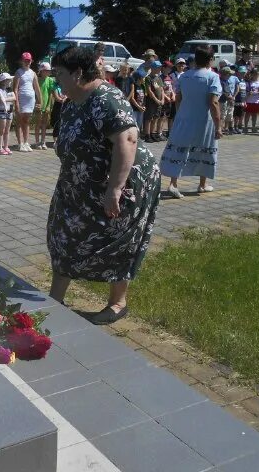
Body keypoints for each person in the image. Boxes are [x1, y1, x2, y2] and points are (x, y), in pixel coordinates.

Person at [47, 46, 160, 324]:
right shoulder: (73, 100)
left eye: (59, 74)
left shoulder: (107, 98)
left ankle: (118, 302)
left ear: (76, 73)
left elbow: (128, 140)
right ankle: (55, 299)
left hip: (122, 181)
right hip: (79, 183)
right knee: (62, 234)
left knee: (117, 239)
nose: (55, 79)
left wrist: (115, 189)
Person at [160, 46, 222, 198]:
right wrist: (218, 125)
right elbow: (213, 103)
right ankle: (202, 184)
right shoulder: (212, 76)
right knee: (205, 148)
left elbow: (178, 99)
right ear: (210, 60)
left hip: (184, 118)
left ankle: (174, 184)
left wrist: (182, 114)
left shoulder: (185, 76)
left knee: (181, 147)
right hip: (204, 120)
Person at [13, 52, 42, 152]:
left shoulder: (33, 73)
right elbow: (15, 89)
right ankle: (20, 143)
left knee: (27, 121)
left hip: (30, 100)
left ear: (31, 61)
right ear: (22, 61)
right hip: (21, 99)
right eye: (25, 61)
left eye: (29, 61)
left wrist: (40, 101)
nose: (27, 63)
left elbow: (37, 88)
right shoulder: (18, 72)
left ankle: (26, 142)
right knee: (20, 121)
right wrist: (16, 102)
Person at [35, 62, 56, 149]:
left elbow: (51, 94)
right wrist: (36, 104)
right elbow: (35, 92)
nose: (48, 72)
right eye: (46, 71)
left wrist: (48, 106)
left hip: (46, 105)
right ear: (41, 71)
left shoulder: (50, 80)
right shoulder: (37, 80)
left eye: (49, 71)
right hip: (38, 105)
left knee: (44, 125)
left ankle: (43, 142)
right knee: (38, 124)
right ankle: (37, 142)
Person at [143, 61, 165, 142]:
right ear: (152, 68)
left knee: (156, 117)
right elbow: (149, 91)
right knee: (149, 118)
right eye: (157, 67)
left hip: (159, 101)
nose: (159, 69)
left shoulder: (158, 78)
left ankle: (152, 133)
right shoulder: (148, 78)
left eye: (159, 67)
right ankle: (147, 135)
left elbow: (162, 89)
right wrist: (156, 100)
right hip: (151, 101)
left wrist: (162, 99)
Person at [0, 72, 16, 155]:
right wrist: (6, 99)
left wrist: (5, 98)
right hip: (2, 112)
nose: (10, 81)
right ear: (3, 81)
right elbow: (0, 100)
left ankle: (6, 146)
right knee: (1, 130)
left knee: (7, 130)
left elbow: (14, 98)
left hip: (9, 111)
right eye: (8, 80)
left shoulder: (9, 89)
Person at [244, 69, 259, 133]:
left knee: (254, 114)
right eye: (254, 74)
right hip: (249, 100)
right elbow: (245, 91)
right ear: (251, 74)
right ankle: (245, 127)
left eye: (257, 74)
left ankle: (253, 127)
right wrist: (248, 93)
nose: (256, 76)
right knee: (247, 114)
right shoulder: (248, 82)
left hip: (257, 101)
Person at [219, 67, 237, 134]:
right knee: (222, 116)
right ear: (225, 74)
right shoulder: (221, 82)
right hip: (222, 101)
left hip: (226, 101)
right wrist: (230, 98)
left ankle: (223, 128)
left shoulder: (226, 81)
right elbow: (223, 92)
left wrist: (231, 98)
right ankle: (219, 130)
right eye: (229, 74)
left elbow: (228, 91)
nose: (230, 76)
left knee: (226, 116)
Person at [232, 66, 247, 134]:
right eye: (241, 73)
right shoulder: (235, 80)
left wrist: (245, 101)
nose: (242, 74)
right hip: (236, 100)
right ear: (237, 73)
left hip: (242, 100)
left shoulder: (244, 81)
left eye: (244, 73)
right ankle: (234, 127)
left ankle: (239, 126)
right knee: (235, 115)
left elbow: (244, 92)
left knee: (241, 114)